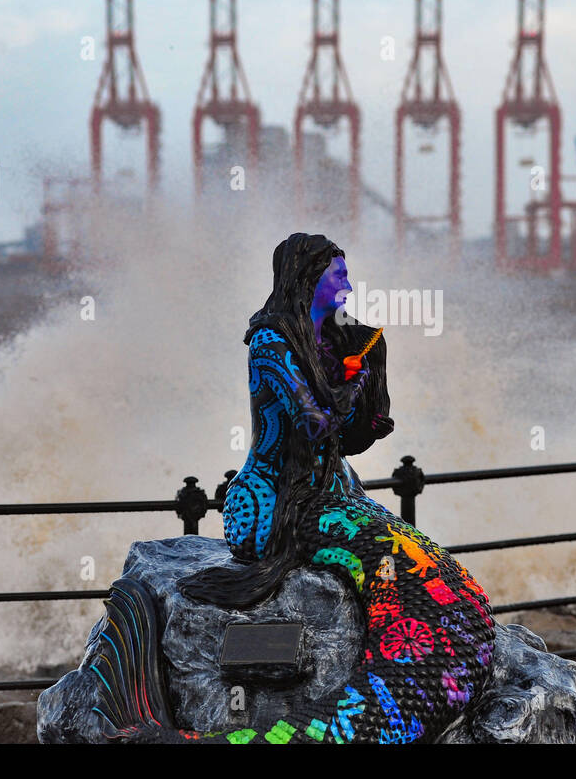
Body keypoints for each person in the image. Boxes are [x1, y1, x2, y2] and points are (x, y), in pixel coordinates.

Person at [170, 232, 496, 744]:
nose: (348, 283)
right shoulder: (271, 342)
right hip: (274, 502)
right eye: (338, 274)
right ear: (307, 278)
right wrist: (351, 384)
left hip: (330, 493)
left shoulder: (330, 339)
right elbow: (313, 423)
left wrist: (371, 384)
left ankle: (422, 666)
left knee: (420, 557)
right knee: (391, 554)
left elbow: (349, 439)